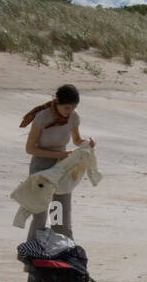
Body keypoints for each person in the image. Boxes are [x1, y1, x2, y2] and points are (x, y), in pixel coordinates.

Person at [20, 84, 94, 240]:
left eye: (73, 107)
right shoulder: (42, 117)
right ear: (57, 102)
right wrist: (58, 154)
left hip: (62, 167)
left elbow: (76, 140)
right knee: (40, 214)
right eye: (67, 108)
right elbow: (30, 148)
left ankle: (63, 251)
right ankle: (33, 255)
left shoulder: (73, 117)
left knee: (60, 213)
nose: (70, 112)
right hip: (41, 168)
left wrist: (87, 143)